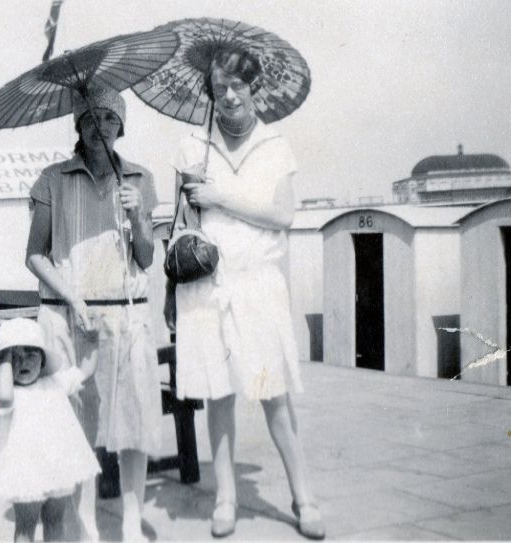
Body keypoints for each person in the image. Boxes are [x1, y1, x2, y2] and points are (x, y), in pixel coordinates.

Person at [164, 48, 326, 540]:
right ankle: (226, 498)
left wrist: (221, 197)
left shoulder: (275, 145)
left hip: (258, 284)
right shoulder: (192, 147)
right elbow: (181, 225)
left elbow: (282, 216)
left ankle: (304, 497)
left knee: (273, 394)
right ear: (210, 91)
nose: (229, 95)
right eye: (220, 87)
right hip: (207, 288)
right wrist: (171, 291)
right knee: (219, 394)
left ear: (255, 86)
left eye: (238, 85)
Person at [25, 85, 163, 541]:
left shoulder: (140, 178)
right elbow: (35, 255)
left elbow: (146, 258)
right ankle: (83, 523)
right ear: (78, 127)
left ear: (121, 126)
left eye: (108, 118)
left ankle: (131, 523)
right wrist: (72, 298)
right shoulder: (52, 179)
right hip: (70, 319)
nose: (99, 127)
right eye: (89, 119)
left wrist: (138, 216)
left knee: (133, 424)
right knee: (76, 428)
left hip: (126, 316)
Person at [0, 318, 101, 542]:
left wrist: (93, 341)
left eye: (31, 354)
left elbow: (85, 371)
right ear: (4, 366)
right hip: (26, 472)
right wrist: (4, 359)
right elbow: (4, 398)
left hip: (58, 467)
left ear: (43, 359)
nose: (23, 362)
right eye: (14, 357)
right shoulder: (10, 392)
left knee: (55, 521)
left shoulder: (56, 382)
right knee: (26, 526)